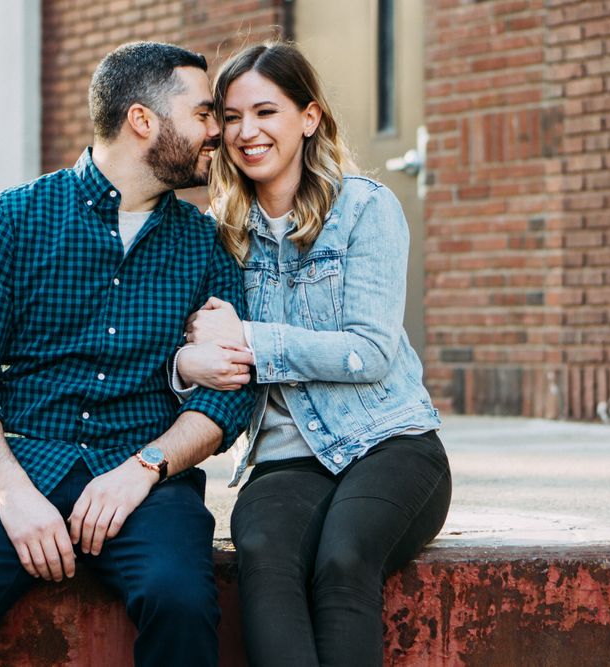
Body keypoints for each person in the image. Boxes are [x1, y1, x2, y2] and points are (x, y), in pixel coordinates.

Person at [0, 41, 255, 667]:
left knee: (181, 602)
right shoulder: (10, 219)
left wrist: (144, 467)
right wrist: (13, 494)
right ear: (143, 120)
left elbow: (229, 396)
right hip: (15, 463)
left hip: (145, 475)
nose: (217, 134)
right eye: (203, 115)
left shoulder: (208, 244)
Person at [176, 42, 453, 667]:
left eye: (267, 112)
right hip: (283, 458)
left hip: (390, 442)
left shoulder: (365, 209)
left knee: (343, 559)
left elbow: (371, 352)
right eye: (233, 116)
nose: (248, 132)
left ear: (310, 117)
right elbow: (191, 345)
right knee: (267, 559)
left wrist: (251, 338)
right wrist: (186, 365)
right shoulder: (215, 231)